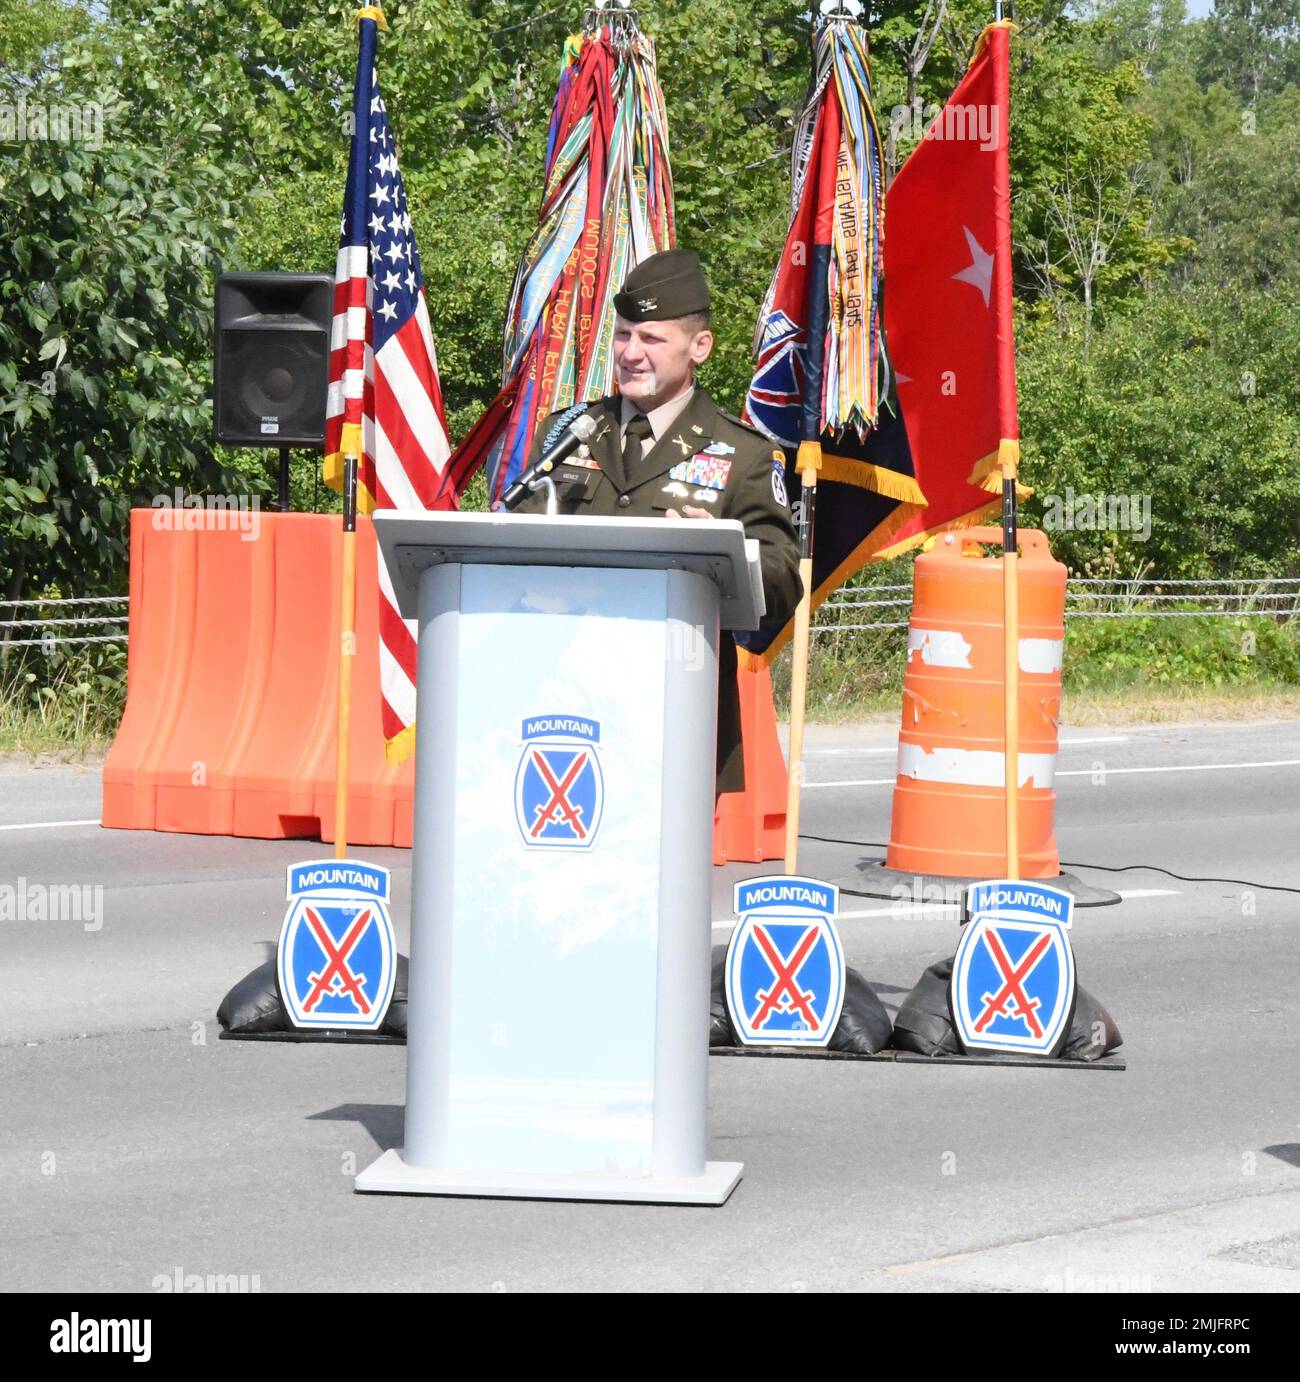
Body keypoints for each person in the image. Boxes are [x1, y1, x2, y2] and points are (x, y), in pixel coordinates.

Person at [512, 249, 802, 795]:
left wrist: (722, 551)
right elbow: (513, 537)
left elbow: (784, 577)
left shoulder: (742, 453)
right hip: (556, 706)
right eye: (623, 335)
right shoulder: (568, 433)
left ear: (700, 348)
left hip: (675, 710)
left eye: (651, 339)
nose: (630, 353)